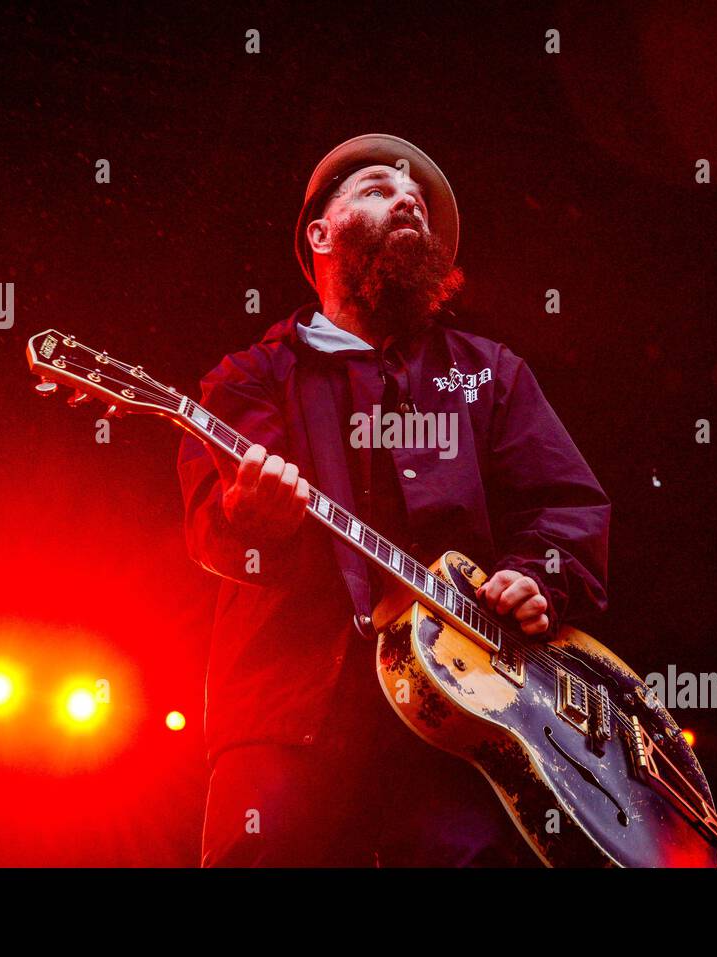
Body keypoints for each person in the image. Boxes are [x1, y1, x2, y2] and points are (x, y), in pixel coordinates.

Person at [178, 133, 611, 866]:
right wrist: (250, 514)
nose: (408, 197)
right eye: (378, 188)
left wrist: (540, 575)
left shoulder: (488, 374)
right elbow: (218, 535)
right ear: (320, 233)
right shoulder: (248, 379)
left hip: (467, 721)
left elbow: (564, 504)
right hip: (292, 713)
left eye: (418, 200)